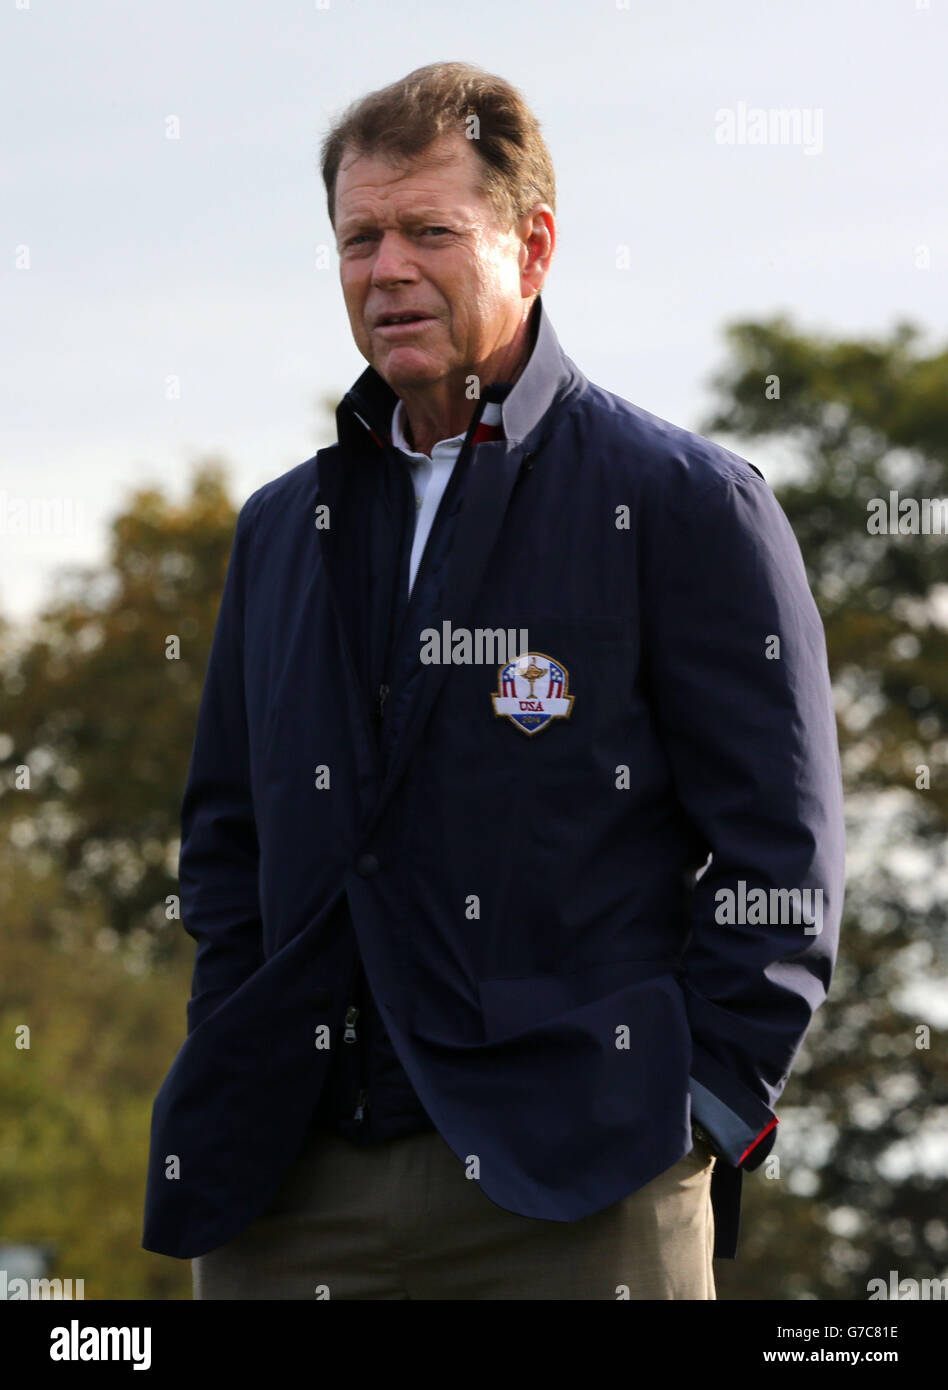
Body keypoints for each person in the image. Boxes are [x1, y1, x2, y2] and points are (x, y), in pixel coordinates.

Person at [142, 61, 846, 1300]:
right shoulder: (274, 532)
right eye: (359, 237)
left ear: (535, 247)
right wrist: (234, 1031)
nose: (387, 268)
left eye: (430, 230)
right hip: (287, 1189)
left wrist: (702, 1106)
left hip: (584, 1185)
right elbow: (227, 841)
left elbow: (782, 861)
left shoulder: (687, 507)